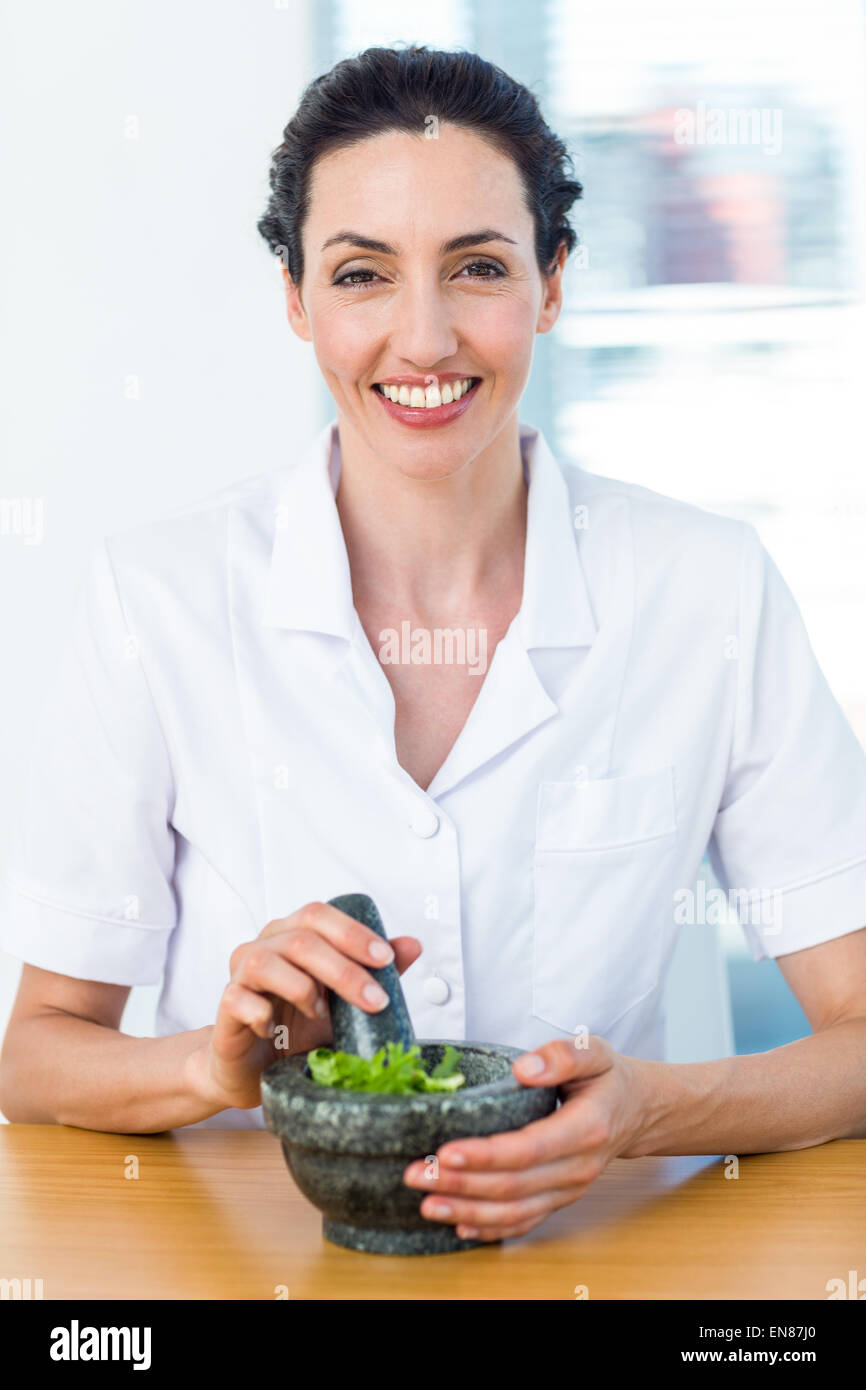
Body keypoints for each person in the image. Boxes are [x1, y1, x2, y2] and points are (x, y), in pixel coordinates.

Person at [2, 46, 865, 1247]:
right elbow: (38, 1055)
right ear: (296, 298)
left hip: (594, 1263)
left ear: (550, 284)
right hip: (257, 1270)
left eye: (476, 268)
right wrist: (214, 1065)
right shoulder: (160, 601)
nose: (422, 339)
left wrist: (649, 1110)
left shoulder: (704, 589)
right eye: (362, 274)